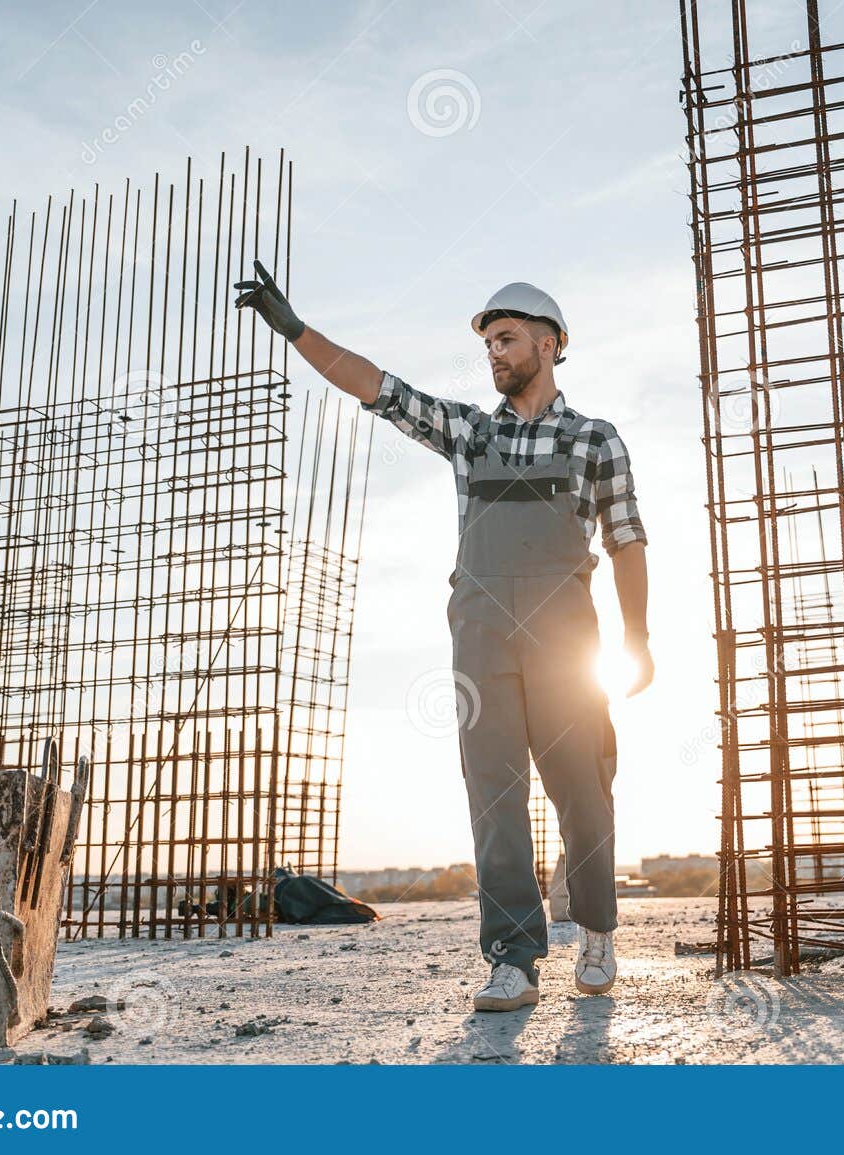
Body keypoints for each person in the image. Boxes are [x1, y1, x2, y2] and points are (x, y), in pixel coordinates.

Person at [235, 265, 653, 1011]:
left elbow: (626, 542)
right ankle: (514, 959)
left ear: (551, 344)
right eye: (488, 342)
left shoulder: (596, 440)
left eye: (507, 339)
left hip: (566, 643)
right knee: (493, 795)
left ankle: (594, 930)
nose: (494, 352)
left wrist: (639, 639)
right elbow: (379, 388)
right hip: (482, 636)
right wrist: (296, 331)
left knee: (583, 789)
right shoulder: (469, 431)